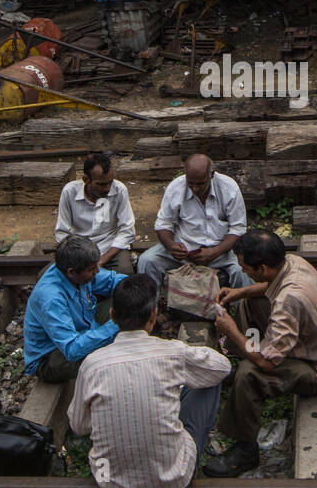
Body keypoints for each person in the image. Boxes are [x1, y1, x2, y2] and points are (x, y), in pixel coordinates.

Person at [67, 274, 231, 488]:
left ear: (112, 316)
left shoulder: (92, 364)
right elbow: (222, 368)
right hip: (174, 481)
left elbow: (79, 426)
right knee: (209, 381)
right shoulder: (172, 352)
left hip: (110, 483)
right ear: (153, 315)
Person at [204, 229, 317, 477]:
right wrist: (240, 292)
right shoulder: (292, 261)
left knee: (251, 372)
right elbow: (268, 287)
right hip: (313, 345)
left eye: (246, 268)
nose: (244, 273)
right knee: (252, 301)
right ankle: (249, 357)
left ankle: (245, 449)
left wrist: (231, 329)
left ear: (261, 267)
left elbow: (265, 363)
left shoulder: (288, 301)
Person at [137, 154, 253, 290]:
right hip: (185, 249)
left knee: (243, 271)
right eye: (190, 183)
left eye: (200, 183)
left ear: (212, 175)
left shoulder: (229, 188)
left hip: (222, 250)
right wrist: (171, 246)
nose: (195, 188)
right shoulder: (176, 188)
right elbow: (163, 224)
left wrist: (214, 252)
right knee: (147, 261)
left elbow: (238, 229)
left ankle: (244, 310)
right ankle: (149, 310)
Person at [23, 234, 127, 382]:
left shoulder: (79, 272)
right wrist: (118, 324)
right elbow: (72, 349)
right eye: (92, 269)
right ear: (72, 272)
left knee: (128, 303)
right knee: (107, 361)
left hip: (84, 329)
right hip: (52, 356)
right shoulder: (51, 298)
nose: (97, 271)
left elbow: (113, 281)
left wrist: (137, 288)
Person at [55, 153, 136, 275]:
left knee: (124, 273)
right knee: (52, 276)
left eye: (110, 182)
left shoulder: (119, 190)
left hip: (110, 248)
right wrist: (80, 257)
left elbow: (127, 231)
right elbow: (62, 232)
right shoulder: (69, 192)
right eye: (101, 184)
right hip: (79, 250)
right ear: (86, 180)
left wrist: (102, 261)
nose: (107, 188)